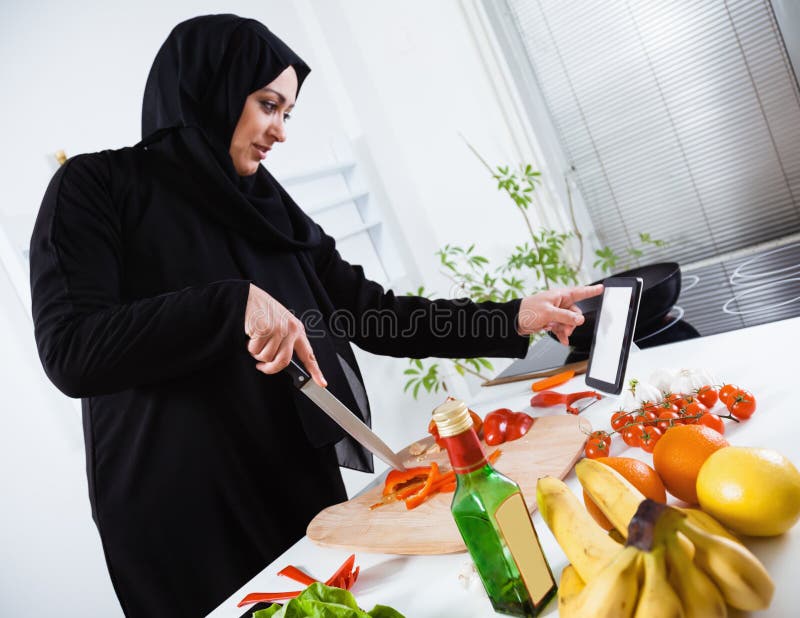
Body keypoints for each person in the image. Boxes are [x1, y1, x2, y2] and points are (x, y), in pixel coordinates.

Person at [29, 14, 602, 617]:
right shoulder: (96, 186)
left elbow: (371, 313)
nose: (279, 131)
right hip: (189, 516)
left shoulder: (266, 205)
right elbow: (72, 352)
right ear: (211, 89)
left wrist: (512, 317)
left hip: (294, 483)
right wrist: (231, 303)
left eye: (287, 113)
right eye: (267, 105)